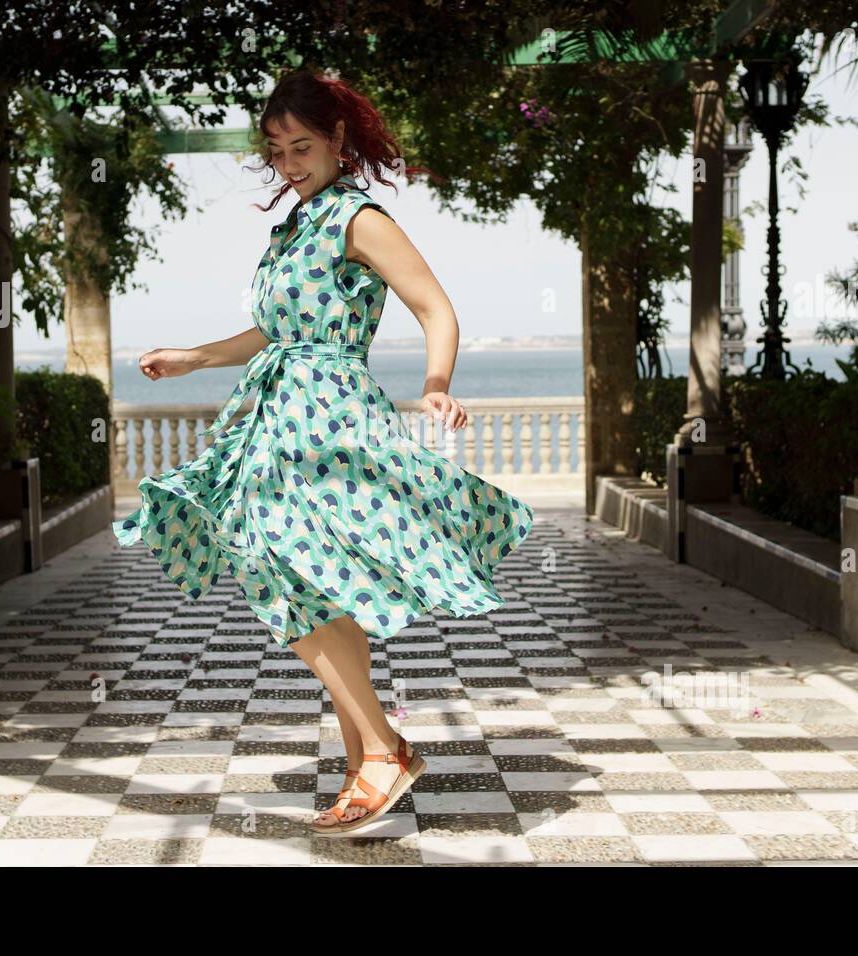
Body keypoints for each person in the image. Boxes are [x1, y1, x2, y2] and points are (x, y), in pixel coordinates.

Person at [112, 67, 534, 835]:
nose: (289, 164)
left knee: (273, 553)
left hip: (332, 417)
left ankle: (382, 749)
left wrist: (436, 383)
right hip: (277, 414)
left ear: (338, 139)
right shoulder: (291, 229)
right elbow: (272, 332)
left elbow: (436, 307)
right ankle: (367, 763)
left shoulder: (358, 217)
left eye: (301, 146)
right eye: (275, 152)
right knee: (311, 582)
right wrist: (192, 358)